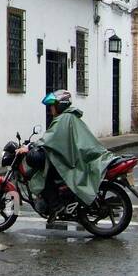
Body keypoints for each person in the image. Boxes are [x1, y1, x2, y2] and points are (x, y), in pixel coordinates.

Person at [20, 90, 116, 219]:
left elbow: (50, 139)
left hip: (73, 161)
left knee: (45, 174)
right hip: (75, 157)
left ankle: (56, 206)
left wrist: (30, 147)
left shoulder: (63, 119)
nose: (51, 109)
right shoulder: (69, 117)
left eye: (52, 106)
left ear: (60, 105)